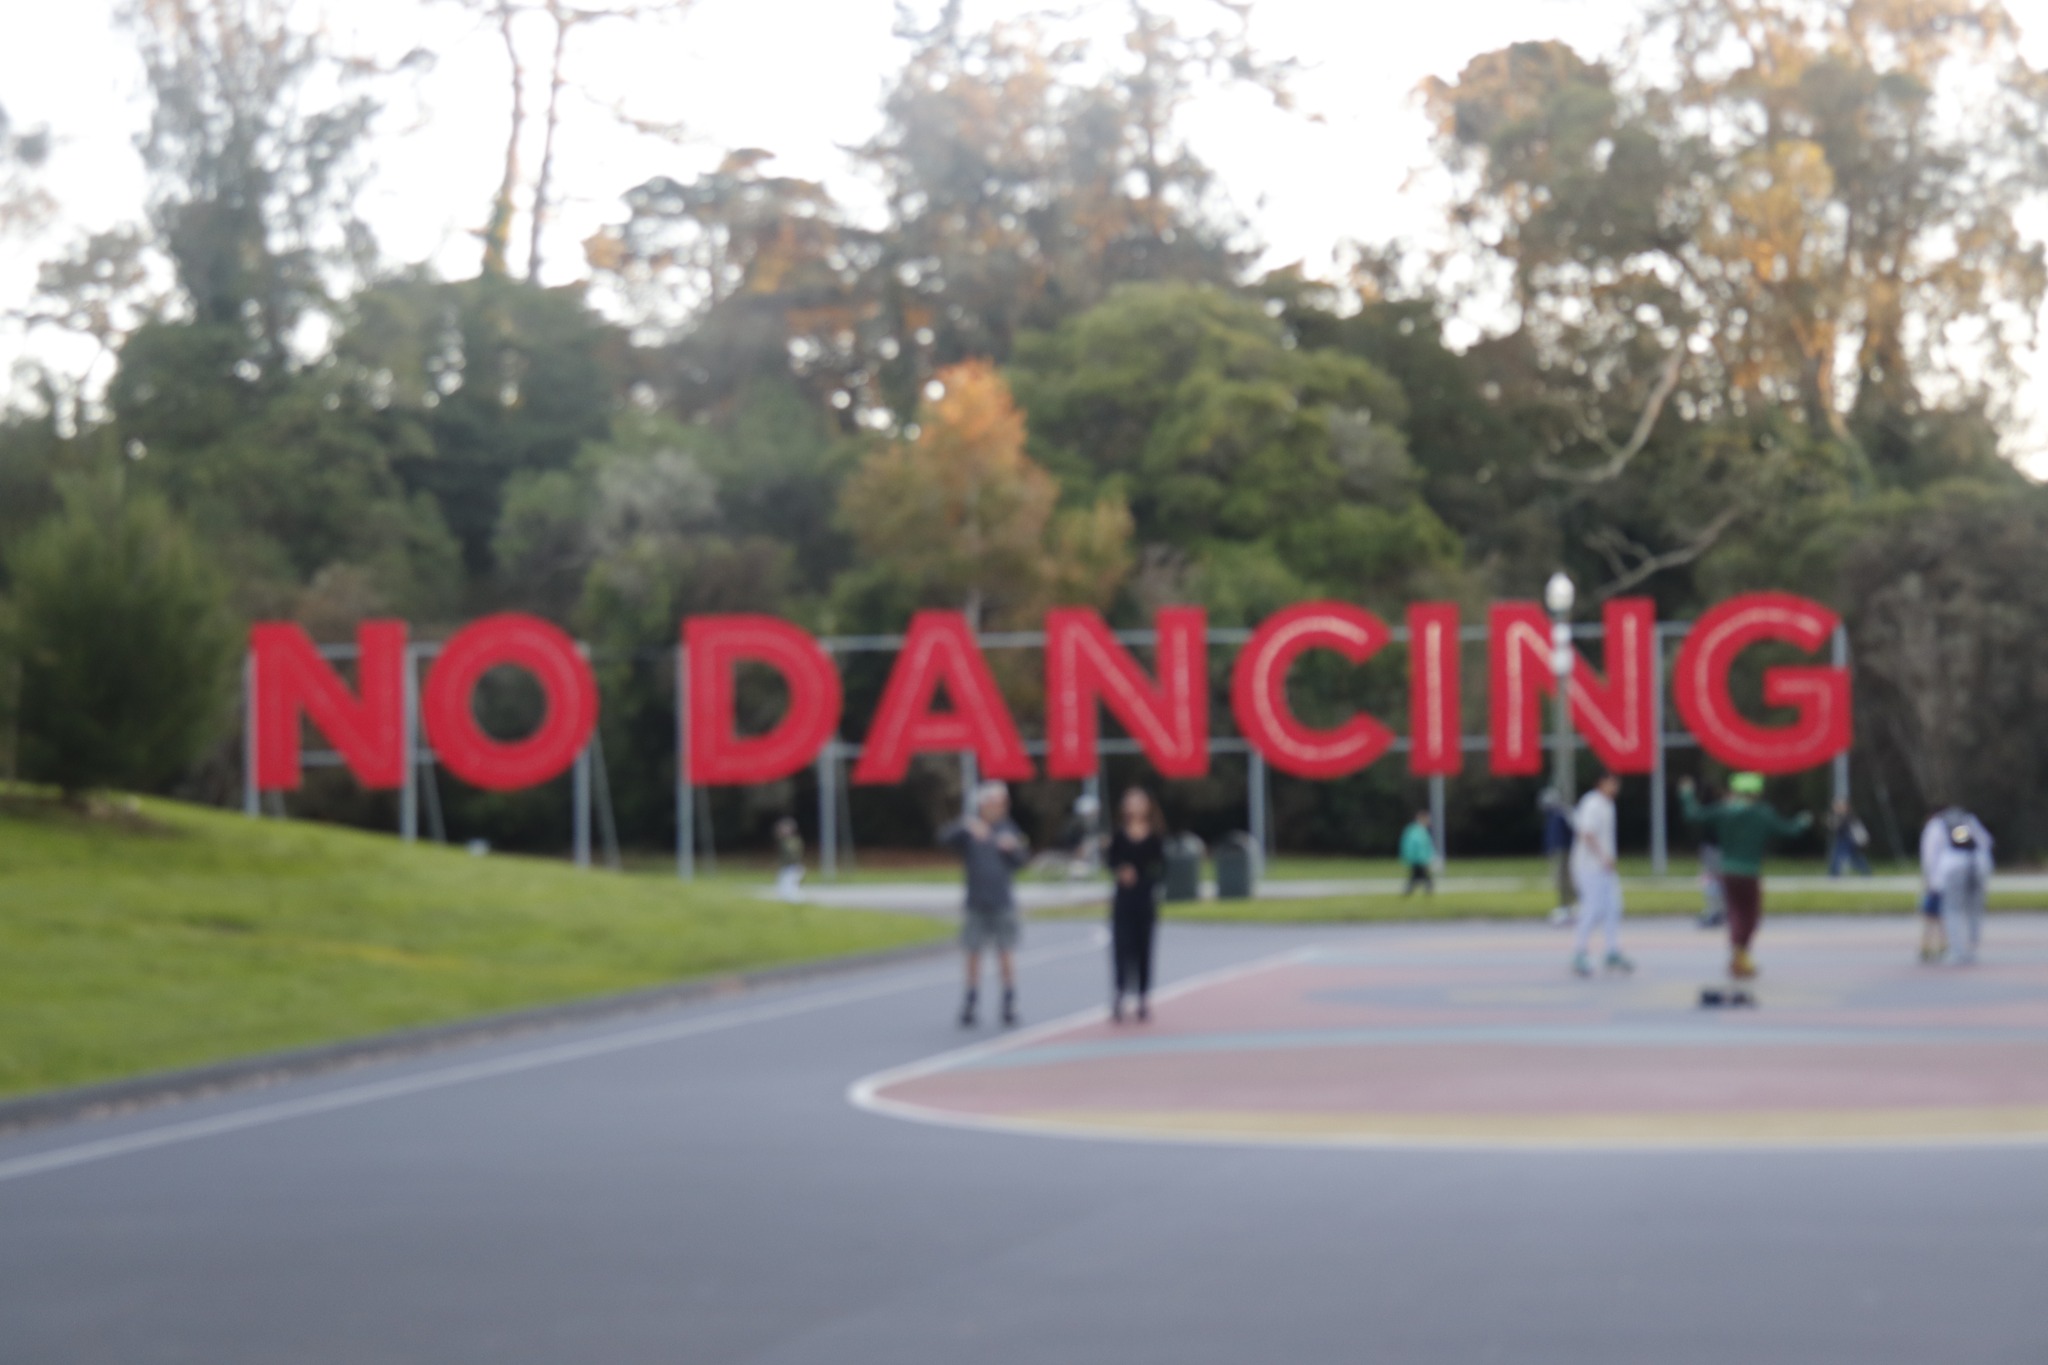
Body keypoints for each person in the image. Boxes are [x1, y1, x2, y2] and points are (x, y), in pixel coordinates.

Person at [1680, 773, 1811, 981]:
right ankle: (1741, 954)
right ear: (1757, 793)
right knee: (1750, 916)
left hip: (1727, 870)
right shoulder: (1762, 813)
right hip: (1750, 872)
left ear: (1735, 791)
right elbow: (1790, 831)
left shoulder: (1723, 811)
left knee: (1734, 912)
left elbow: (1693, 816)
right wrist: (1803, 821)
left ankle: (1737, 955)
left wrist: (1686, 794)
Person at [939, 781, 1031, 1027]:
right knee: (972, 952)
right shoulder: (971, 829)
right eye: (992, 802)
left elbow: (1023, 859)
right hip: (976, 901)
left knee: (1005, 952)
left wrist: (1011, 848)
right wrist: (967, 825)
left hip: (1002, 901)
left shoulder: (1009, 829)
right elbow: (944, 838)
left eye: (1000, 802)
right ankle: (970, 1000)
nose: (996, 807)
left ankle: (1009, 1000)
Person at [1105, 787, 1167, 1022]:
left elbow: (1161, 867)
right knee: (1122, 948)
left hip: (1145, 899)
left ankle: (1143, 996)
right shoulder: (1119, 835)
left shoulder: (1155, 836)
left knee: (1144, 948)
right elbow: (1111, 861)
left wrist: (1145, 878)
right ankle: (1120, 993)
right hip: (1123, 900)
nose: (1134, 806)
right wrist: (1121, 870)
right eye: (1130, 802)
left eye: (1138, 802)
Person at [1569, 772, 1633, 977]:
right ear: (1600, 783)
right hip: (1589, 866)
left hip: (1605, 867)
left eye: (1616, 783)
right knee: (1593, 907)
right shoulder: (1592, 803)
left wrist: (1608, 859)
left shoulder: (1608, 804)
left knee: (1613, 907)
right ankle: (1579, 952)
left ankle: (1612, 951)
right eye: (1610, 783)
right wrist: (1603, 856)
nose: (1614, 787)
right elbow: (1587, 832)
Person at [1920, 805, 1992, 966]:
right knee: (1974, 909)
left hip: (1953, 867)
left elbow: (1930, 855)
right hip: (1978, 865)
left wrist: (1932, 881)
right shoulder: (1968, 819)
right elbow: (1985, 841)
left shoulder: (1936, 825)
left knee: (1952, 910)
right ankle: (1972, 947)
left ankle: (1956, 950)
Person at [1695, 780, 1727, 930]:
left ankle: (1715, 912)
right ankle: (1720, 911)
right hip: (1717, 848)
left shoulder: (1711, 810)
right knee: (1718, 881)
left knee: (1712, 881)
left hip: (1713, 848)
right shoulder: (1722, 809)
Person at [1541, 789, 1575, 925]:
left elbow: (1572, 831)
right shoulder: (1553, 816)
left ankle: (1568, 907)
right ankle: (1565, 906)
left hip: (1565, 851)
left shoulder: (1562, 814)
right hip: (1559, 851)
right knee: (1560, 881)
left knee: (1565, 880)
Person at [1826, 798, 1873, 876]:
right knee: (1854, 859)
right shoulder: (1842, 816)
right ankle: (1866, 873)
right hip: (1844, 841)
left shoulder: (1848, 817)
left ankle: (1833, 875)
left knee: (1838, 857)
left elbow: (1839, 826)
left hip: (1849, 841)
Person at [1399, 810, 1437, 897]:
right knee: (1421, 876)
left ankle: (1410, 890)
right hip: (1418, 859)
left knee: (1417, 876)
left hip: (1419, 859)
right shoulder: (1416, 831)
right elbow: (1414, 847)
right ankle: (1427, 890)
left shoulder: (1420, 831)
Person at [773, 817, 805, 902]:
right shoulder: (784, 841)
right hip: (786, 866)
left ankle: (794, 899)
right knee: (783, 885)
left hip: (792, 866)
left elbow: (793, 854)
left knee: (790, 884)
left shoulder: (793, 841)